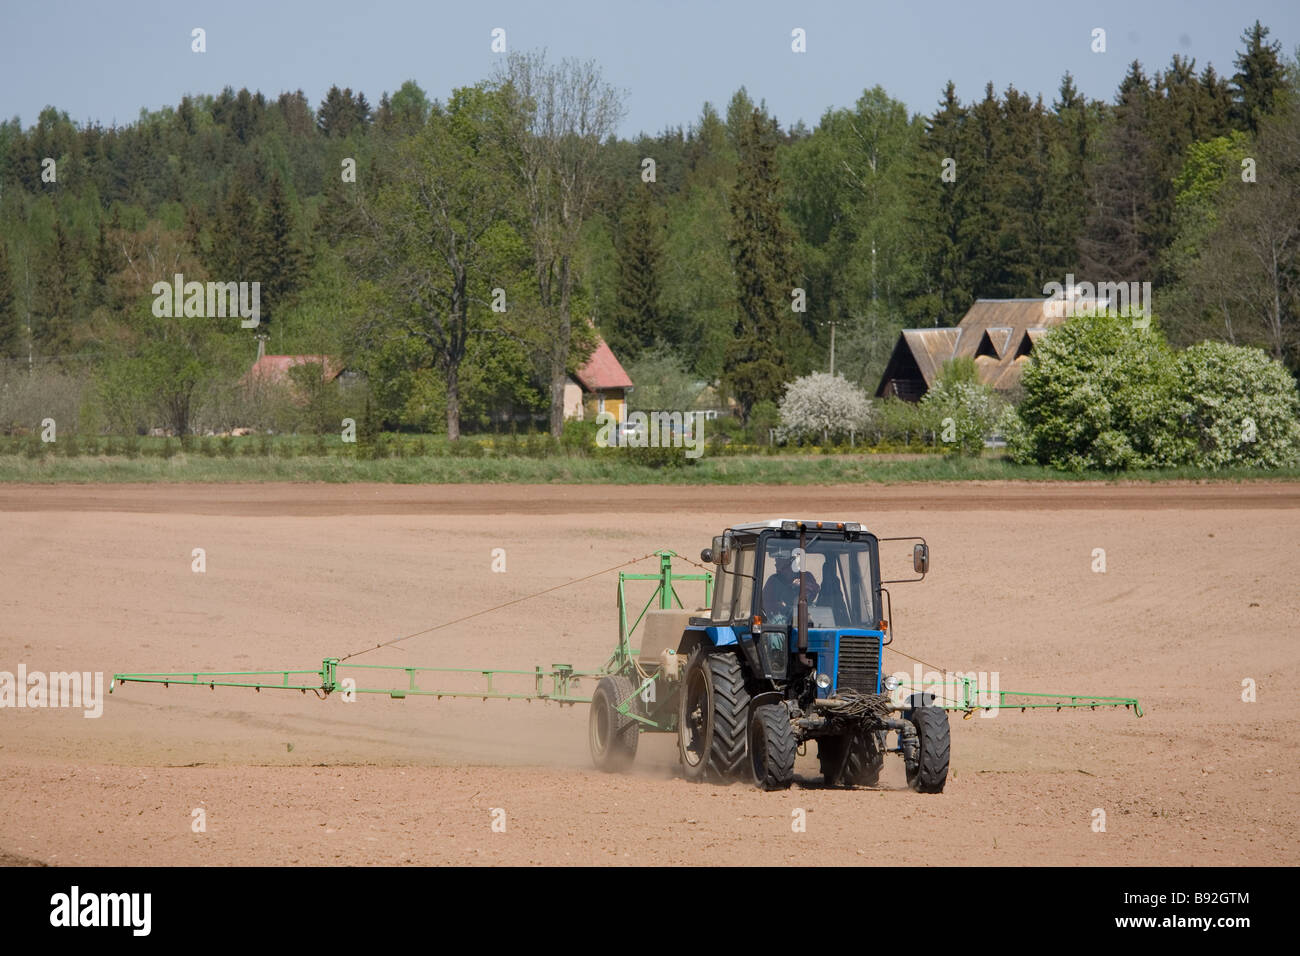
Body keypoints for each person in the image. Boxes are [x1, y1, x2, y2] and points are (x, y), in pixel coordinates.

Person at [761, 551, 820, 623]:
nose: (775, 565)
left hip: (805, 617)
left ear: (791, 564)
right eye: (776, 562)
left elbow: (815, 589)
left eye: (779, 562)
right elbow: (765, 603)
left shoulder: (806, 576)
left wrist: (801, 585)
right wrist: (782, 606)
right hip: (782, 623)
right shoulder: (773, 581)